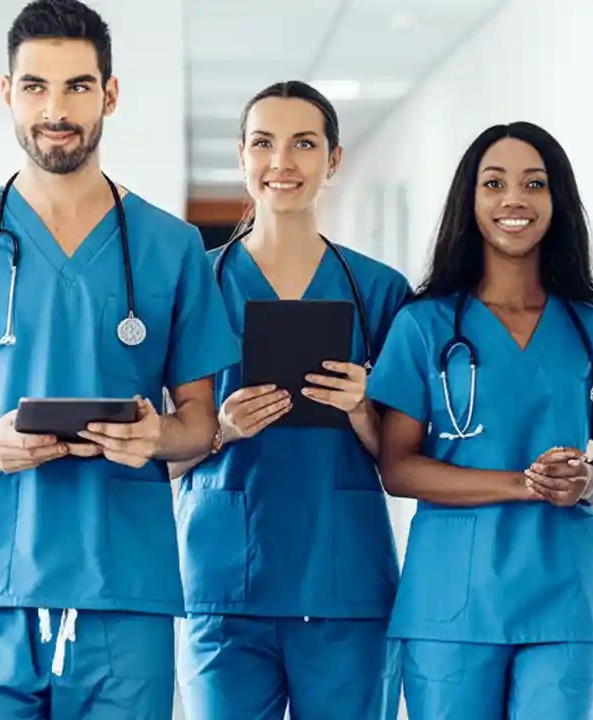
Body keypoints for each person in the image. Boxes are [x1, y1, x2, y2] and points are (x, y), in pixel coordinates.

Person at [0, 1, 238, 717]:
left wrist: (156, 436)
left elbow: (201, 421)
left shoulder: (168, 248)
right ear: (7, 92)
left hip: (123, 588)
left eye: (77, 86)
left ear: (109, 94)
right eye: (36, 86)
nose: (56, 109)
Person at [365, 121, 593, 719]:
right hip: (450, 602)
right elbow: (398, 467)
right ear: (470, 202)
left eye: (534, 183)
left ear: (558, 201)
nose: (513, 199)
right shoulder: (425, 327)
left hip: (565, 600)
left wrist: (589, 482)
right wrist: (522, 484)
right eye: (494, 183)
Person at [168, 81, 411, 720]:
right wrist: (216, 430)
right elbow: (147, 453)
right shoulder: (196, 286)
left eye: (304, 143)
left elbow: (409, 463)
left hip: (345, 586)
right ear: (241, 157)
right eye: (264, 143)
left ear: (333, 160)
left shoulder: (381, 293)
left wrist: (362, 408)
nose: (283, 162)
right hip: (224, 588)